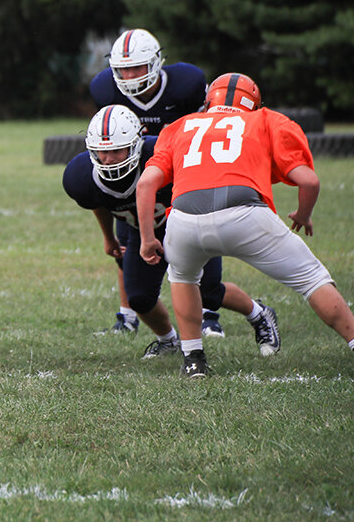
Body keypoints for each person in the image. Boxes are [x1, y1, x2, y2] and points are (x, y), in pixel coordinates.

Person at [138, 73, 354, 377]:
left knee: (183, 277)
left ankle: (193, 359)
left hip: (185, 219)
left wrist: (147, 238)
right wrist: (303, 215)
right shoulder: (266, 120)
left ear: (208, 101)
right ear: (254, 103)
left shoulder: (180, 126)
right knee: (312, 279)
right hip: (244, 213)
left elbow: (147, 183)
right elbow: (309, 181)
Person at [63, 105, 277, 360]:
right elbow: (97, 202)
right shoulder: (80, 176)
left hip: (188, 225)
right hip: (140, 234)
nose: (108, 160)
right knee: (140, 298)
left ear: (135, 145)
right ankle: (168, 341)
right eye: (102, 152)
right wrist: (109, 237)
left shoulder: (164, 151)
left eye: (116, 151)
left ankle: (258, 313)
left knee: (207, 291)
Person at [88, 28, 225, 335]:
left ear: (156, 63)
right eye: (122, 68)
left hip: (184, 174)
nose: (130, 75)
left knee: (201, 246)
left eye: (137, 66)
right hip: (135, 175)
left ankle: (208, 312)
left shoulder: (185, 85)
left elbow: (207, 131)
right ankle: (128, 315)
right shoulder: (105, 89)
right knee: (127, 244)